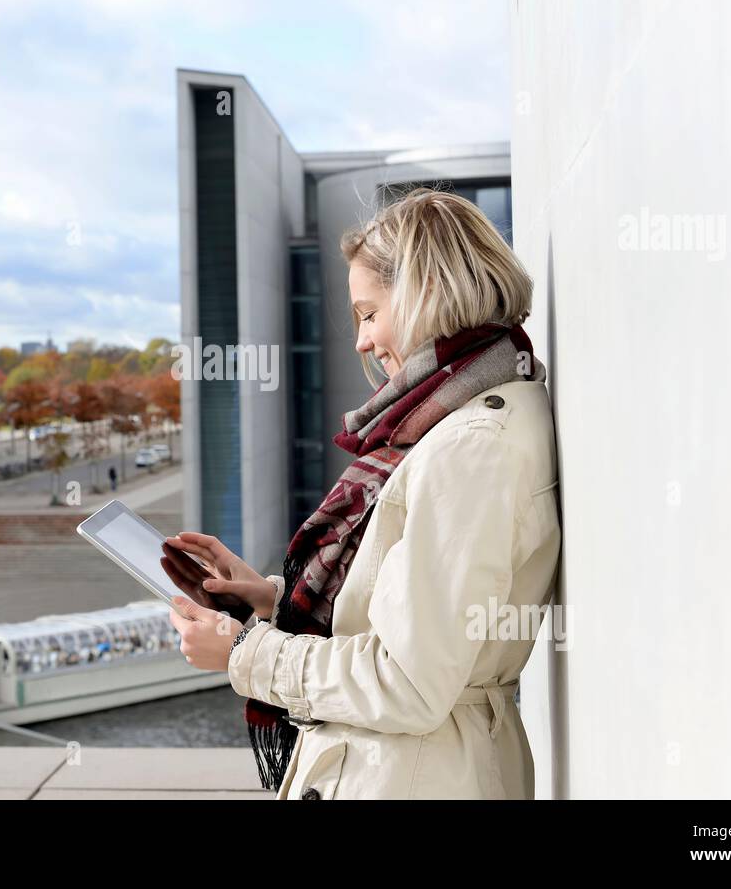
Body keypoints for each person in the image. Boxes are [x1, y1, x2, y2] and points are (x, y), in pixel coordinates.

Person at [166, 188, 560, 799]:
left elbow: (407, 681)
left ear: (427, 293)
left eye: (369, 313)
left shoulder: (469, 446)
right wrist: (273, 599)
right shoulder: (471, 414)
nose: (361, 341)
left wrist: (244, 652)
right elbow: (418, 612)